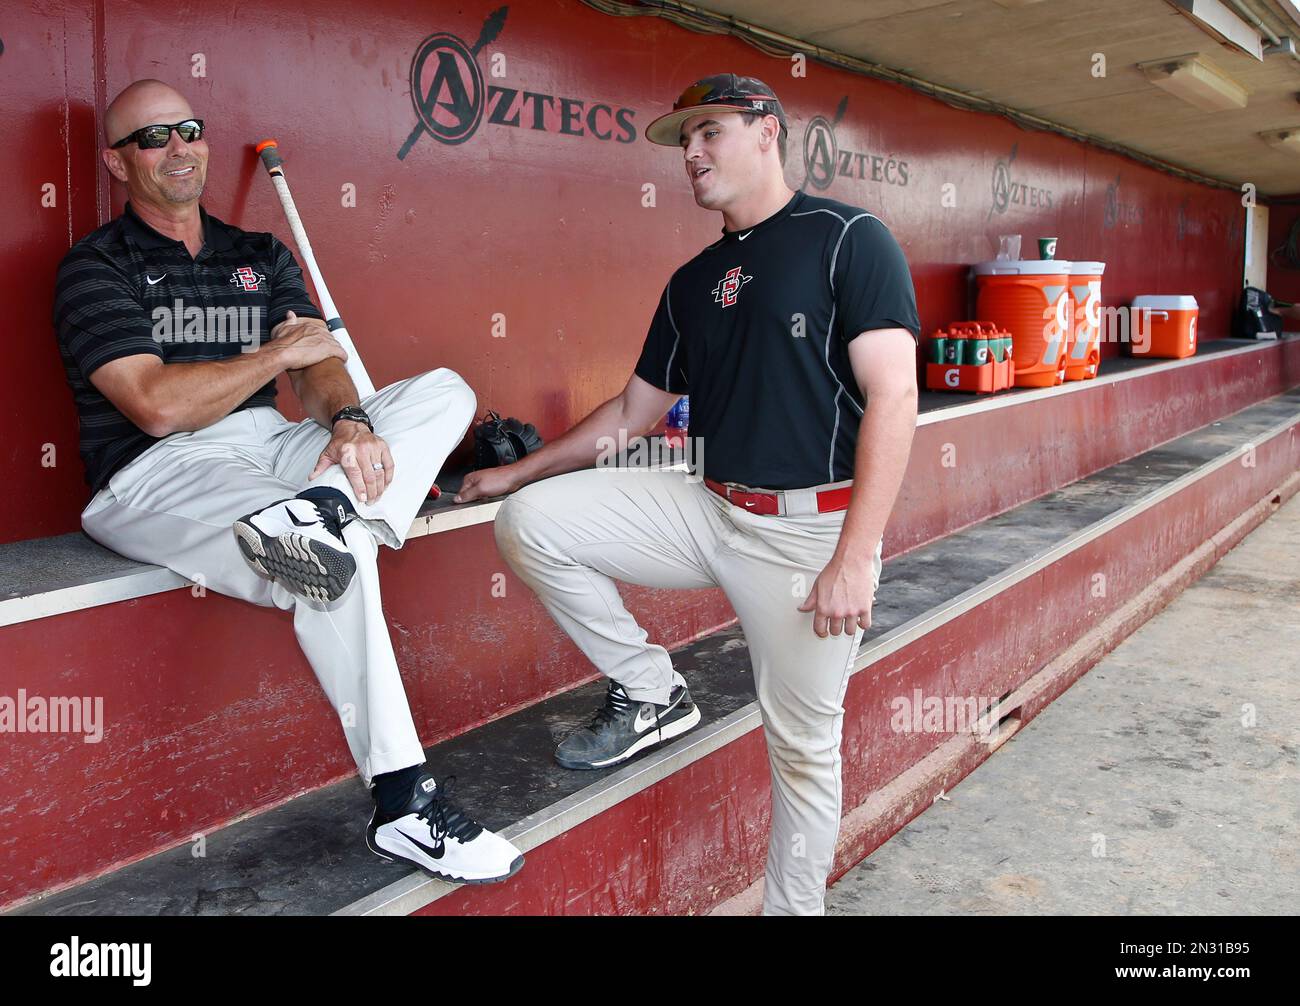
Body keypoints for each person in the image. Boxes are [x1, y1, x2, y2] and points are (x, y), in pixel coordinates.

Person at [456, 74, 920, 914]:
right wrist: (518, 472)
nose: (691, 153)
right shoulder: (692, 280)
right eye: (683, 141)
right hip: (709, 509)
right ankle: (651, 689)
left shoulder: (849, 237)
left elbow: (894, 397)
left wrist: (856, 556)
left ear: (767, 131)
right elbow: (634, 411)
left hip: (810, 537)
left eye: (709, 132)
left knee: (805, 747)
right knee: (532, 522)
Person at [53, 79, 522, 885]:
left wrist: (347, 422)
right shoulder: (95, 266)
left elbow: (324, 370)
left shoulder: (257, 254)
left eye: (190, 130)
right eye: (153, 137)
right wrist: (276, 356)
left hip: (275, 443)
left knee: (443, 390)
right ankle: (405, 801)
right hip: (156, 472)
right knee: (334, 556)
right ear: (116, 162)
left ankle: (327, 506)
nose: (179, 148)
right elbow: (158, 407)